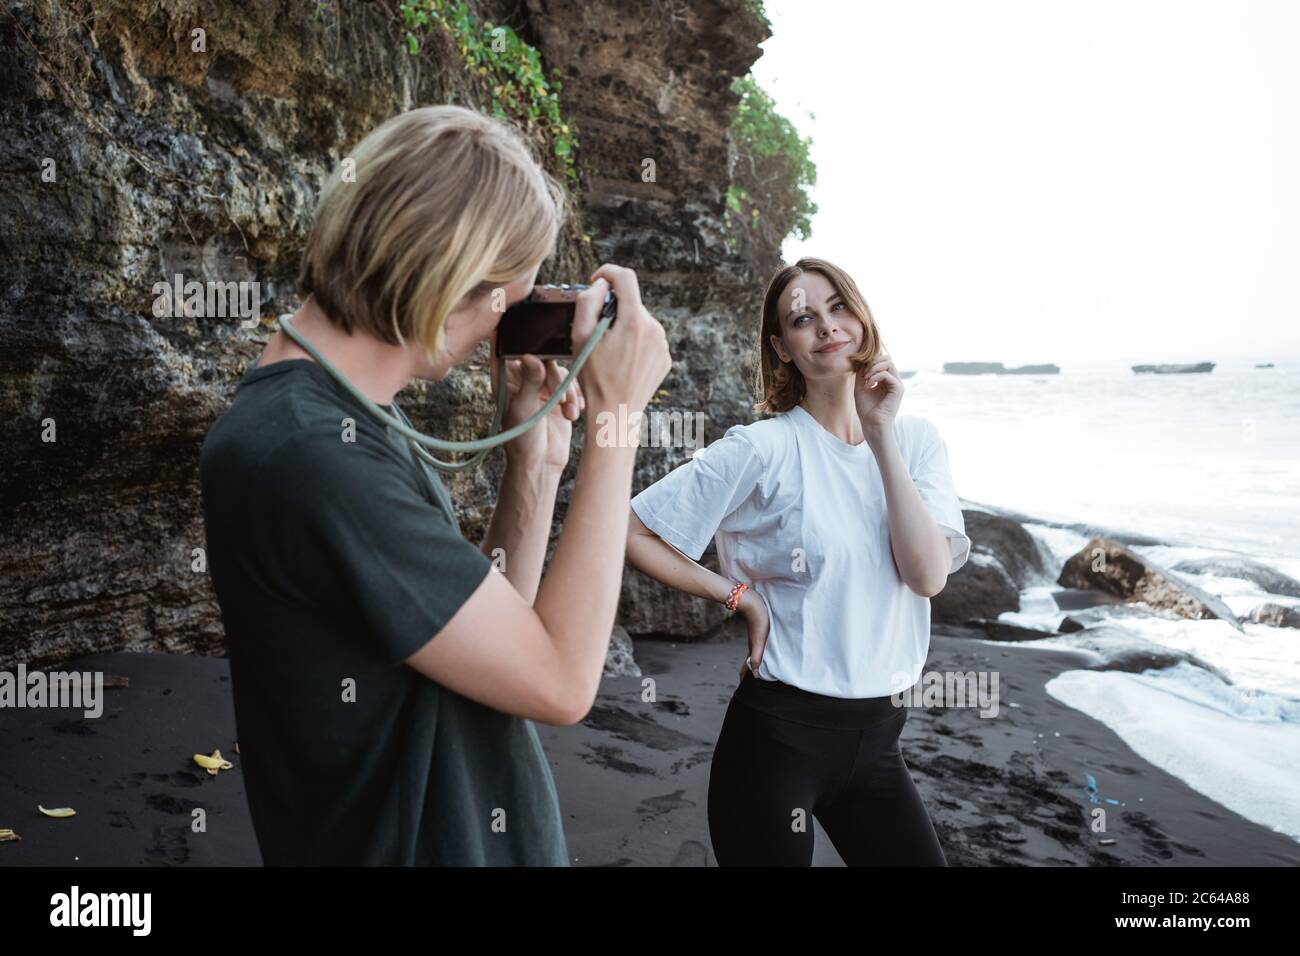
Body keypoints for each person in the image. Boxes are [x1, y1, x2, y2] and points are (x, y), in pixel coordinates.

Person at [199, 104, 671, 865]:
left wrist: (537, 465)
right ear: (450, 276)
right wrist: (618, 421)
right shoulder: (315, 455)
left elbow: (494, 636)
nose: (503, 325)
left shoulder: (335, 418)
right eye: (509, 302)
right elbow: (560, 683)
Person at [625, 257, 970, 866]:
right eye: (803, 319)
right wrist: (738, 598)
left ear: (861, 318)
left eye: (839, 307)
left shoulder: (914, 441)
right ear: (782, 348)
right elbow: (628, 529)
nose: (828, 327)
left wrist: (880, 433)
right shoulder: (764, 448)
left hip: (881, 740)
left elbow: (927, 576)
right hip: (777, 739)